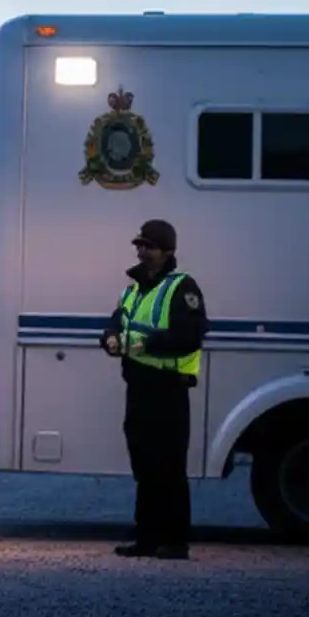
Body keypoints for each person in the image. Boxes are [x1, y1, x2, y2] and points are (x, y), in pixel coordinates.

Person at [98, 219, 208, 560]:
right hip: (139, 387)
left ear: (167, 251)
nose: (142, 251)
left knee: (170, 465)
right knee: (144, 464)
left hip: (168, 388)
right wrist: (110, 338)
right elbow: (116, 322)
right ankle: (146, 537)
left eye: (149, 246)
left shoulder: (182, 287)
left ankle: (175, 541)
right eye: (139, 246)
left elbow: (190, 334)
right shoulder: (131, 289)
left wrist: (148, 343)